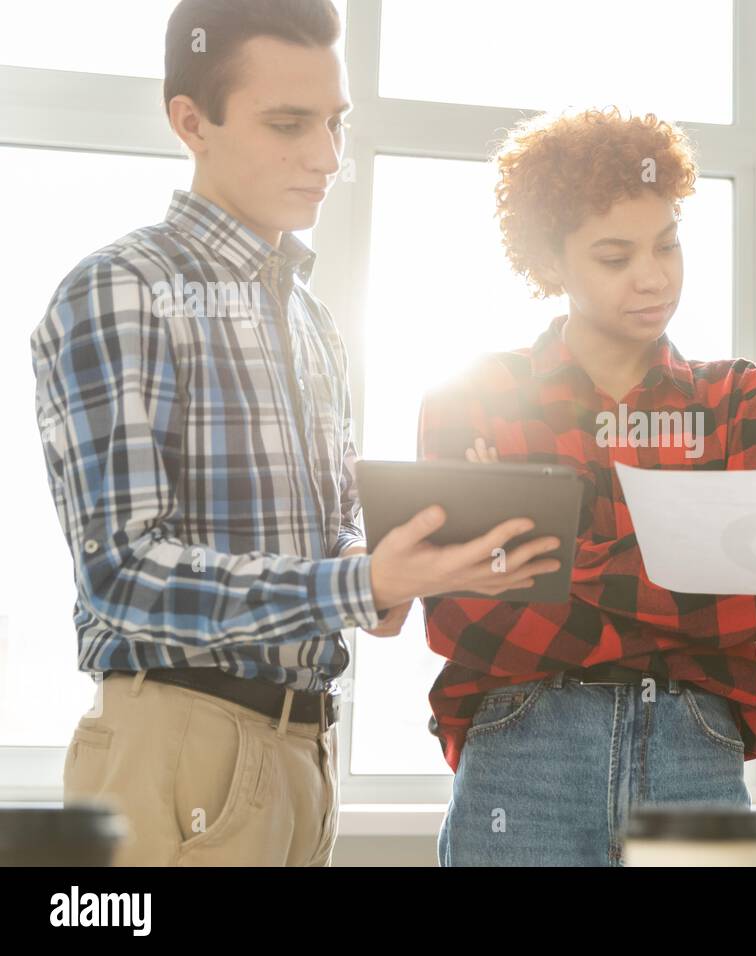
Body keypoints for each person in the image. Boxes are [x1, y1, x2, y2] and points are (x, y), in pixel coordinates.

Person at [30, 0, 552, 866]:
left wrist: (394, 575)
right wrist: (350, 584)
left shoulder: (310, 318)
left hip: (304, 749)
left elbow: (333, 536)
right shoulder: (121, 288)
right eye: (288, 124)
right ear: (190, 122)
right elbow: (120, 570)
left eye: (337, 123)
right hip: (178, 744)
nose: (327, 157)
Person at [417, 107, 756, 866]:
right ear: (551, 264)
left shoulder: (738, 399)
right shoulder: (473, 398)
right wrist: (683, 567)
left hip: (697, 750)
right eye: (615, 257)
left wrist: (549, 559)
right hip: (526, 751)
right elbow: (463, 615)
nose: (653, 276)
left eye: (668, 245)